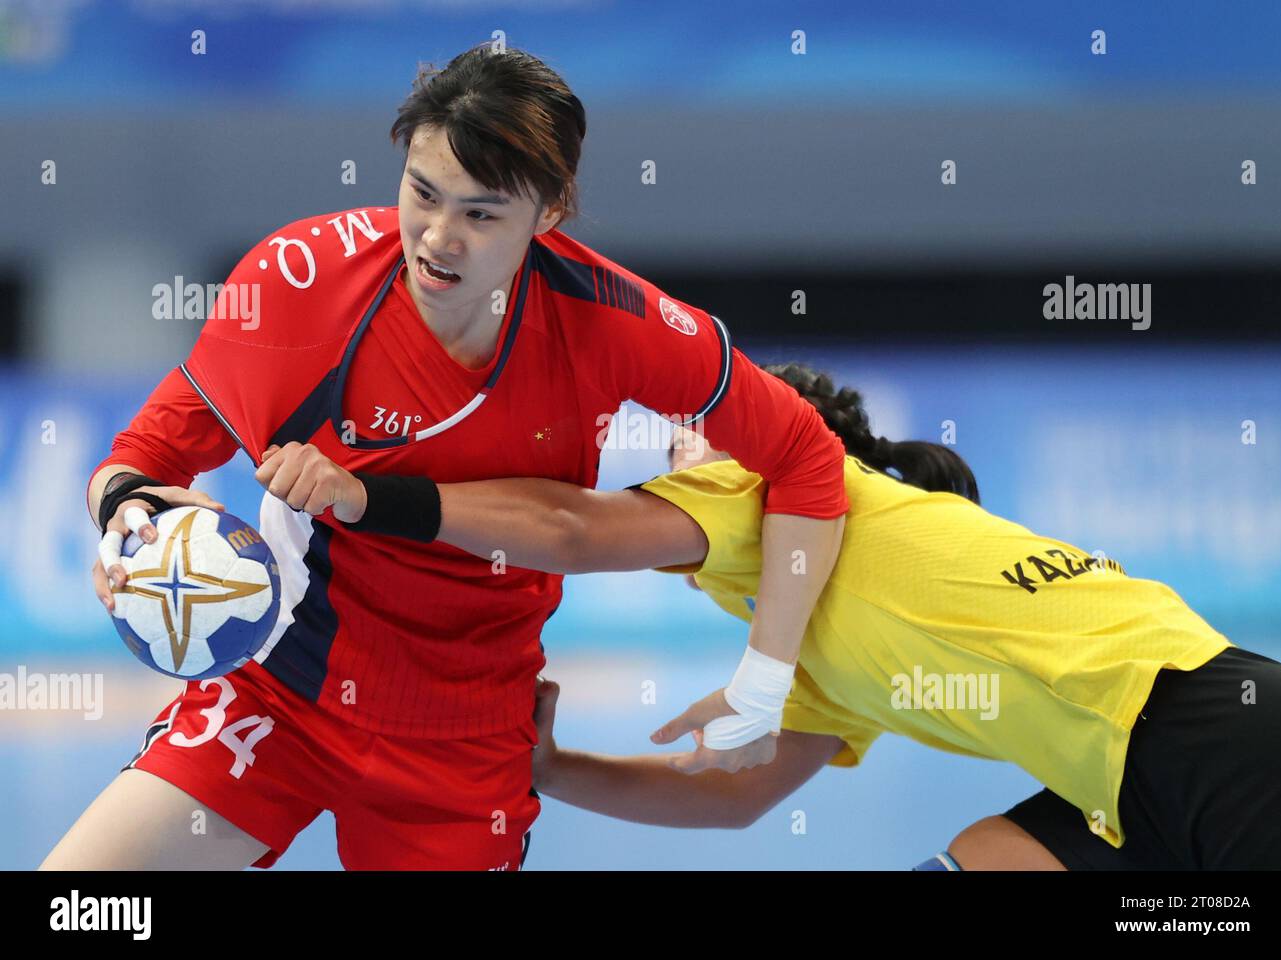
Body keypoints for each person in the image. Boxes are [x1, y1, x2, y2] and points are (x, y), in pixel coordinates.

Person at [43, 47, 847, 871]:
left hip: (463, 744)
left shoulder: (618, 324)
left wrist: (764, 680)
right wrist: (126, 515)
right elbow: (140, 457)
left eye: (482, 213)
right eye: (422, 193)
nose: (437, 237)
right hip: (280, 693)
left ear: (551, 212)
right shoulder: (300, 281)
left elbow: (807, 458)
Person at [361, 361, 1281, 870]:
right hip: (1115, 796)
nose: (672, 464)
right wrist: (553, 768)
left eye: (693, 438)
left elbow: (566, 527)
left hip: (1222, 740)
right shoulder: (808, 641)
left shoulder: (769, 484)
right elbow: (734, 799)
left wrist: (368, 495)